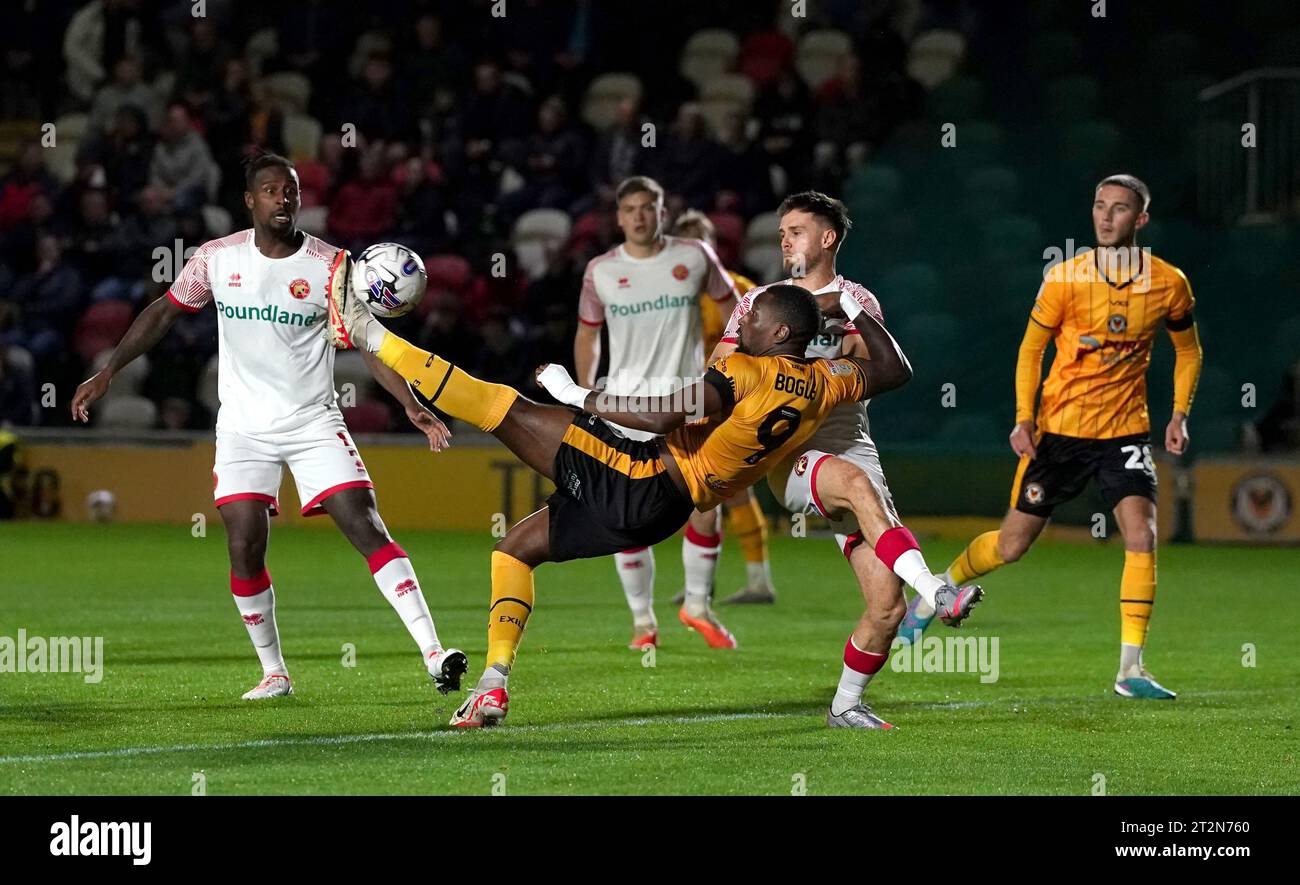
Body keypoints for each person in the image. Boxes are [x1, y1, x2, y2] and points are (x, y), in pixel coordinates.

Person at [325, 259, 981, 728]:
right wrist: (857, 308)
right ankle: (493, 685)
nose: (741, 321)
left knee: (502, 404)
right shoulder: (827, 381)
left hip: (642, 473)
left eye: (754, 319)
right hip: (654, 514)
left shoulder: (746, 371)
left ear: (779, 335)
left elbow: (668, 414)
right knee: (515, 549)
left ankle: (371, 333)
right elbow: (895, 369)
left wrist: (581, 395)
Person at [70, 151, 467, 701]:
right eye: (272, 190)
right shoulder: (215, 258)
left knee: (364, 524)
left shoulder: (332, 266)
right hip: (242, 427)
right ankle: (274, 672)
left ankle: (433, 652)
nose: (284, 198)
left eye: (292, 190)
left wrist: (410, 403)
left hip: (312, 420)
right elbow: (163, 311)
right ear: (250, 200)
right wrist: (109, 370)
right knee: (244, 544)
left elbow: (368, 341)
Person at [915, 174, 1204, 700]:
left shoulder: (1169, 283)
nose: (1106, 216)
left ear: (1140, 220)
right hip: (1060, 434)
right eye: (1099, 205)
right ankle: (936, 591)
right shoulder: (1065, 278)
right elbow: (1031, 350)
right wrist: (1024, 417)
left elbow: (1188, 350)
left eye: (1119, 209)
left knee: (1142, 537)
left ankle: (1130, 670)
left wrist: (1179, 414)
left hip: (1126, 431)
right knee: (1011, 545)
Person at [711, 191, 978, 729]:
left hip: (852, 445)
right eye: (782, 231)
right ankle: (939, 591)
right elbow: (720, 366)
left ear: (828, 238)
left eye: (796, 230)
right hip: (789, 452)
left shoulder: (859, 299)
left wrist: (837, 318)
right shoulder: (762, 301)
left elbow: (876, 371)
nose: (784, 240)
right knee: (855, 484)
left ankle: (845, 705)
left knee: (886, 607)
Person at [572, 176, 738, 649]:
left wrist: (731, 369)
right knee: (627, 515)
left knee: (708, 502)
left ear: (663, 211)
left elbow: (735, 312)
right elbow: (587, 333)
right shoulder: (600, 270)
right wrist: (586, 393)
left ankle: (698, 605)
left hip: (688, 401)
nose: (641, 216)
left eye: (649, 207)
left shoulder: (694, 255)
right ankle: (644, 622)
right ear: (619, 216)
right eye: (631, 209)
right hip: (626, 405)